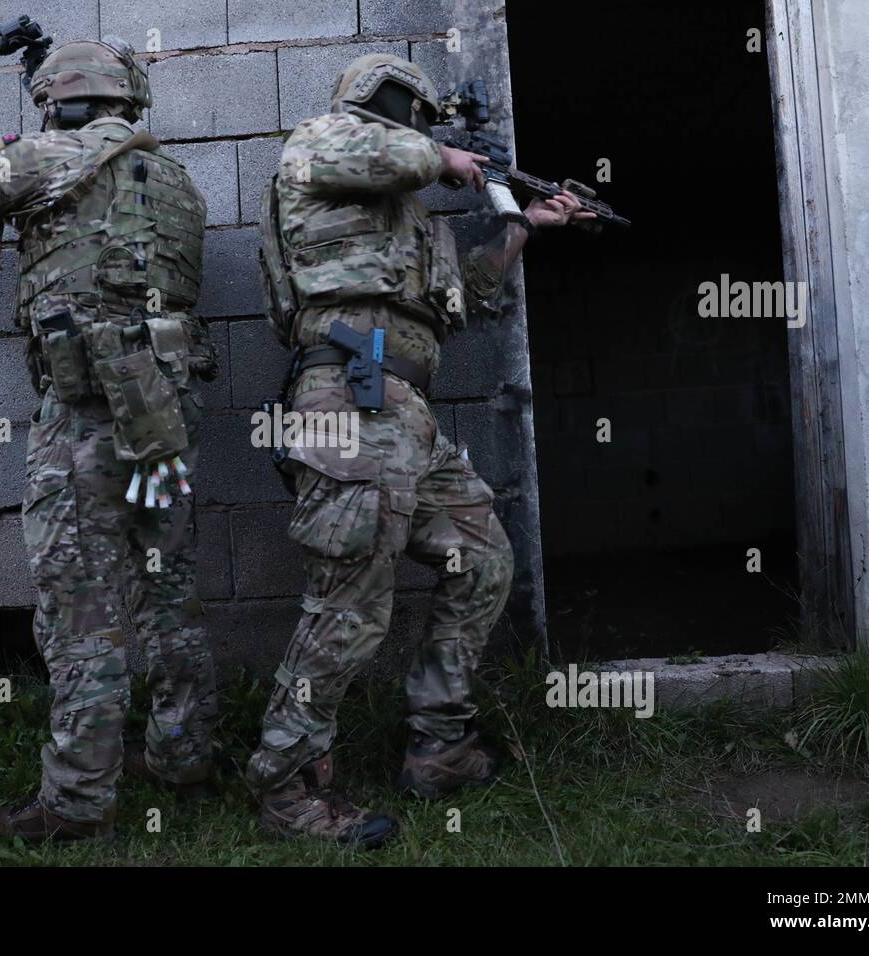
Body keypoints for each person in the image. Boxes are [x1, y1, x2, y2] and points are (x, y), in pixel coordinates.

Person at [0, 37, 218, 842]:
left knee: (78, 603)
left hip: (88, 417)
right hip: (164, 421)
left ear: (59, 98)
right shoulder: (175, 179)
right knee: (165, 585)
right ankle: (182, 754)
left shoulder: (56, 155)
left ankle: (77, 804)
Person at [251, 53, 595, 846]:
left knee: (483, 559)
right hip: (348, 394)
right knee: (350, 604)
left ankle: (439, 745)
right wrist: (446, 159)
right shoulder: (321, 146)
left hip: (407, 412)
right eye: (424, 126)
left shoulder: (407, 219)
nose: (433, 142)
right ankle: (285, 788)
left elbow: (463, 301)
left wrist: (521, 229)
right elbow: (341, 154)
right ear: (394, 110)